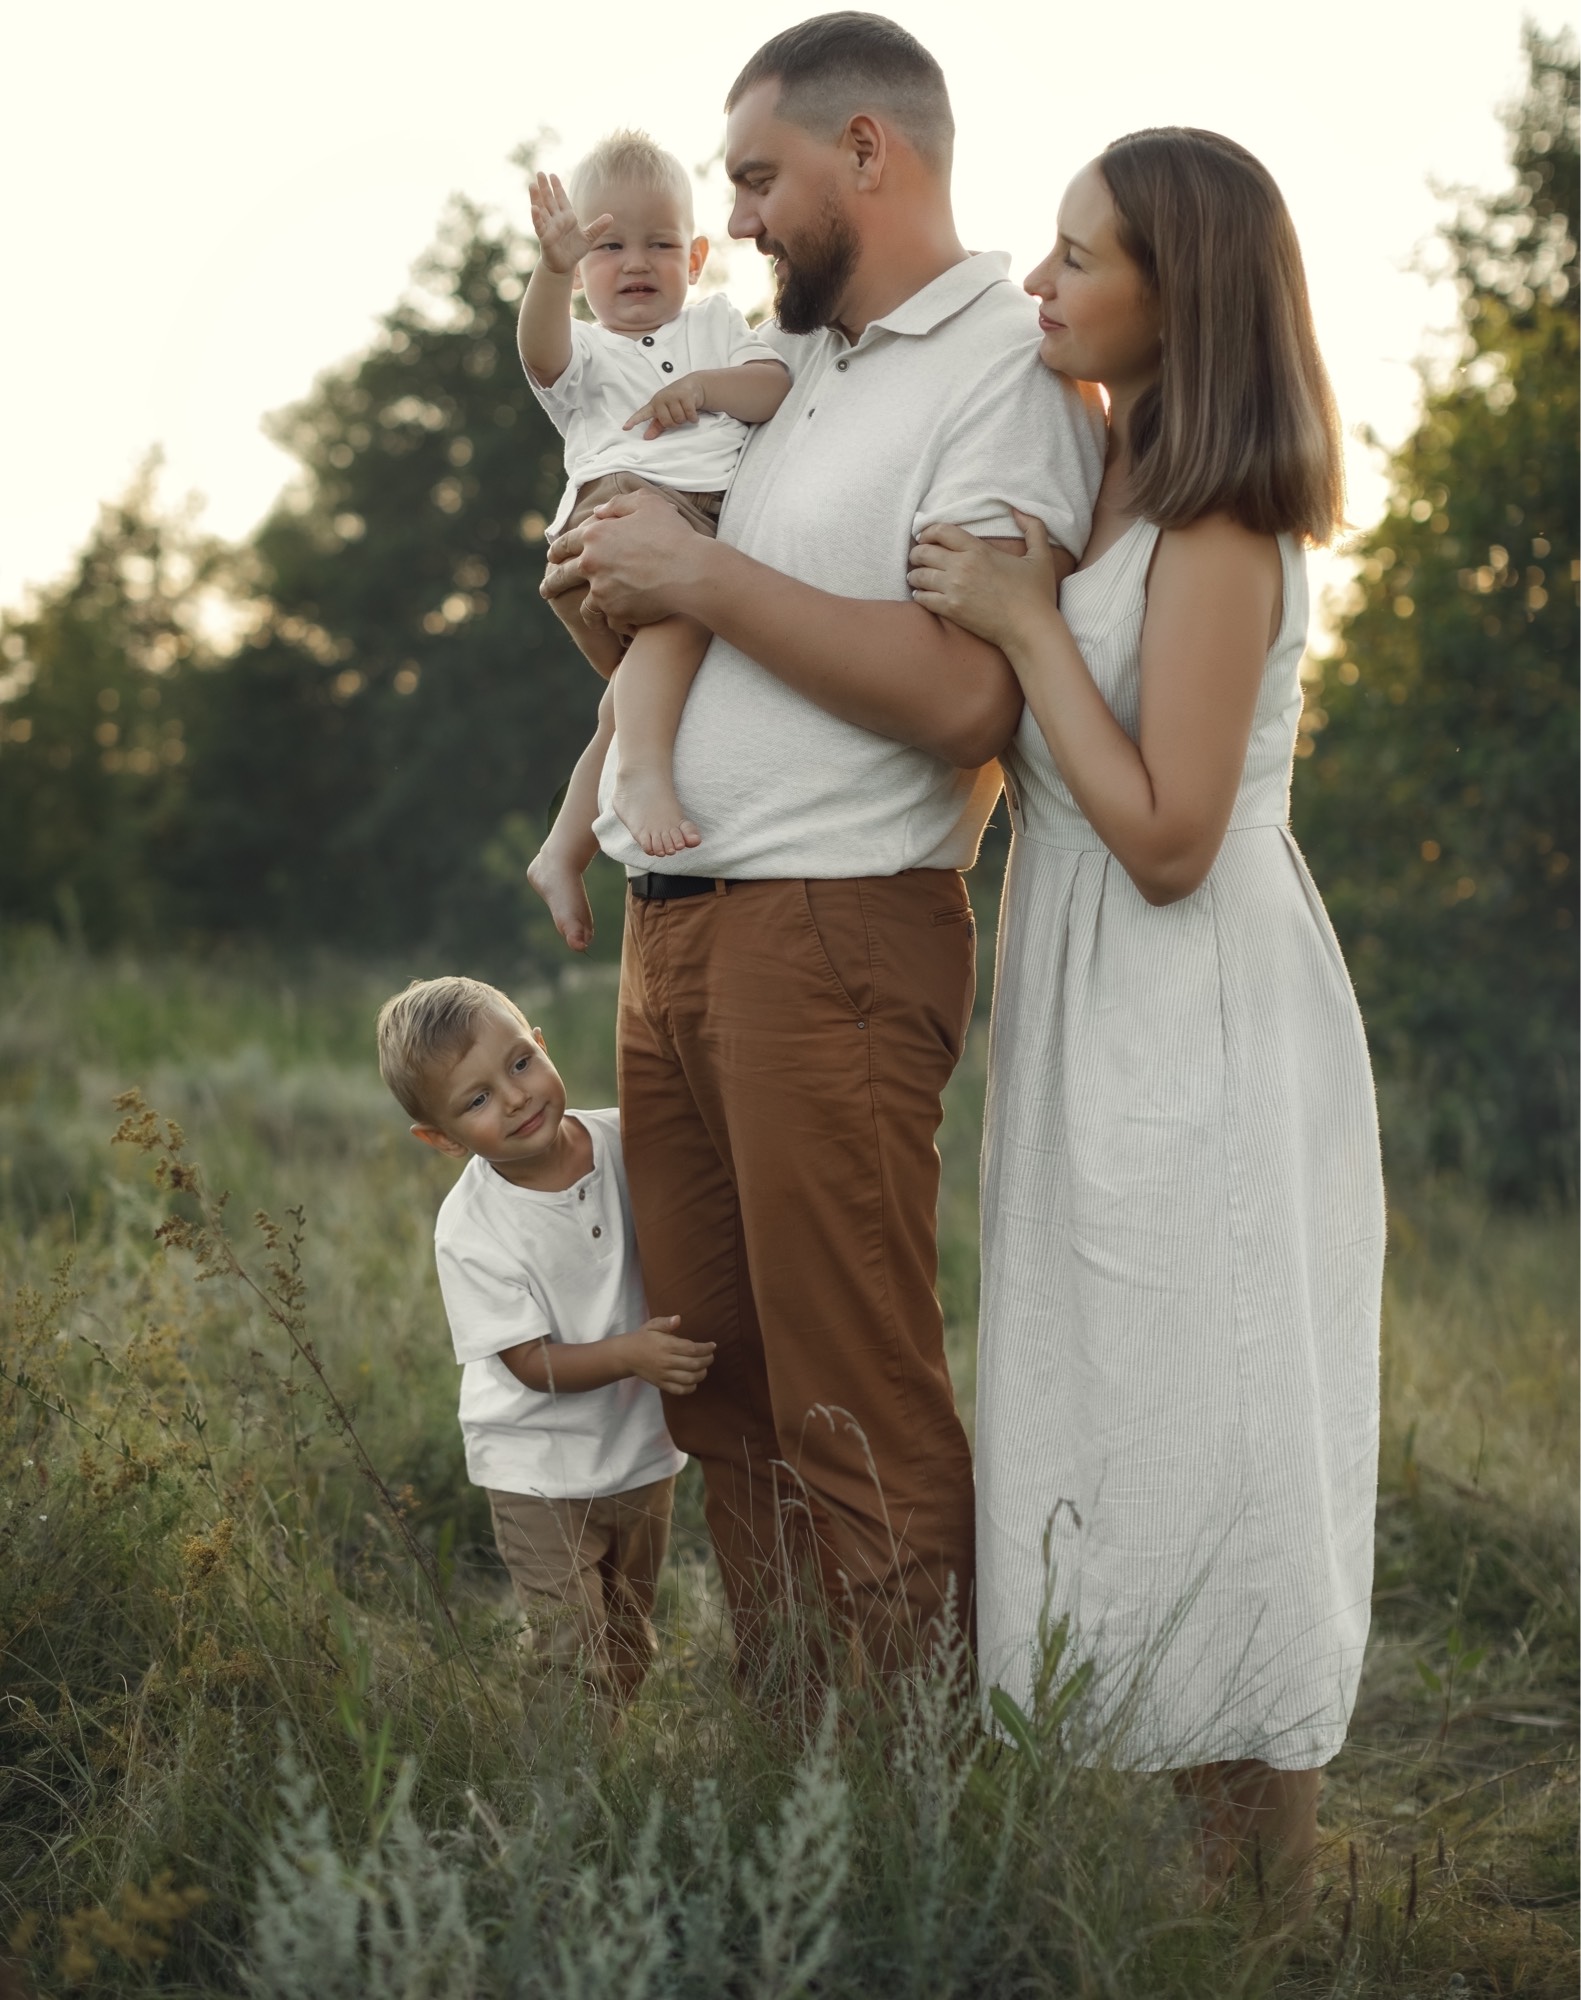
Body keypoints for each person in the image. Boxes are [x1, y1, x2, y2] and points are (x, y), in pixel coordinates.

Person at [534, 13, 1106, 1679]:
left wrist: (698, 580)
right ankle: (797, 1781)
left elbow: (960, 702)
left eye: (760, 181)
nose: (746, 219)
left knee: (852, 1390)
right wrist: (611, 598)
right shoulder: (798, 373)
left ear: (871, 150)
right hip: (680, 924)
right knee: (720, 1387)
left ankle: (918, 1811)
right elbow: (731, 651)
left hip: (833, 935)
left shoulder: (1003, 367)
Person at [906, 130, 1384, 1903]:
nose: (1039, 280)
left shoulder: (1222, 520)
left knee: (1222, 1405)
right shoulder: (1109, 472)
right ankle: (1208, 1866)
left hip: (1196, 1002)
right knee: (1127, 1402)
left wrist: (1029, 630)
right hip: (1092, 1005)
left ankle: (1265, 1895)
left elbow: (1175, 836)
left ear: (1178, 298)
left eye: (1076, 254)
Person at [375, 975, 715, 1699]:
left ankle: (606, 1786)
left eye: (519, 1064)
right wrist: (632, 1355)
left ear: (541, 1044)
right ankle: (558, 1796)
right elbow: (527, 1362)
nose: (516, 1097)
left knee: (627, 1633)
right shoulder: (473, 1228)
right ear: (440, 1139)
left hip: (641, 1451)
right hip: (537, 1468)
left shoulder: (628, 1141)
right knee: (571, 1650)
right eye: (477, 1100)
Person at [519, 130, 791, 901]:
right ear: (581, 271)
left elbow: (769, 388)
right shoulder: (586, 354)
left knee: (628, 699)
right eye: (606, 247)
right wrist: (550, 269)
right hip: (621, 512)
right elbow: (538, 352)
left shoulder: (712, 326)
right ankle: (641, 777)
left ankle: (563, 849)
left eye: (659, 243)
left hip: (690, 522)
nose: (635, 262)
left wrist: (704, 388)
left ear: (696, 257)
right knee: (683, 610)